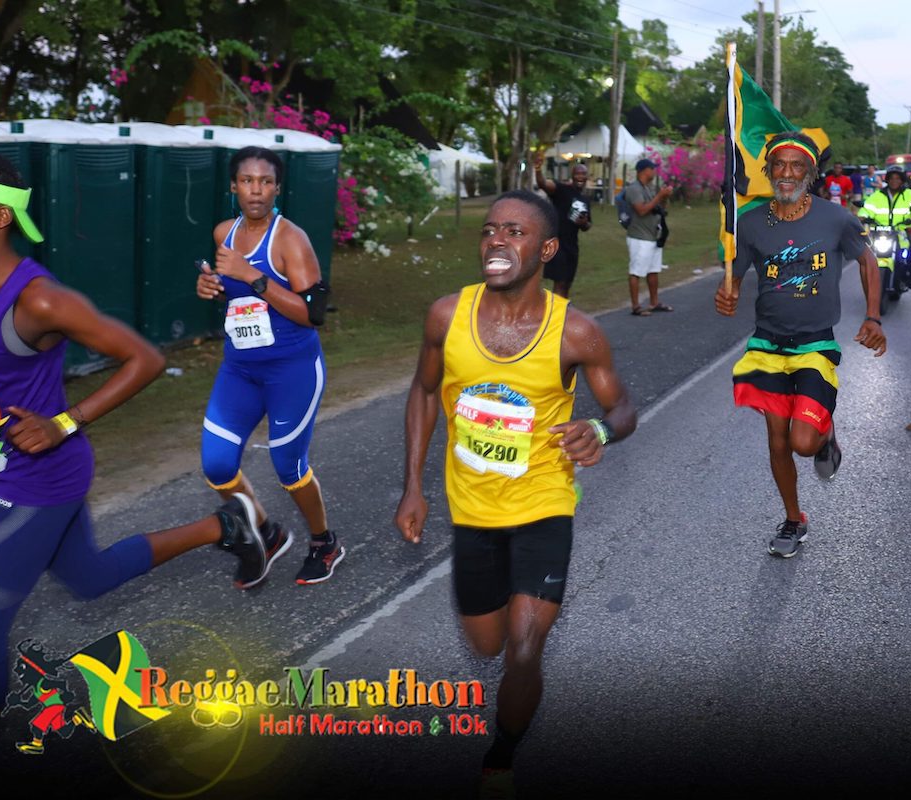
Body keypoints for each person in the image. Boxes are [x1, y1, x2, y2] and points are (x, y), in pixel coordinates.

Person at [0, 155, 265, 783]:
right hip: (7, 468)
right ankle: (226, 526)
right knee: (88, 578)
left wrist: (64, 421)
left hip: (43, 477)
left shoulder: (39, 298)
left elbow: (144, 359)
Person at [394, 190, 636, 794]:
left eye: (515, 232)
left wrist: (599, 428)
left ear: (547, 249)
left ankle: (501, 753)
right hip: (471, 509)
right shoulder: (446, 317)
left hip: (543, 502)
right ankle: (509, 640)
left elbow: (623, 408)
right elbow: (425, 394)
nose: (497, 242)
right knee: (486, 645)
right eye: (489, 230)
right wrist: (412, 488)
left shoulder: (576, 333)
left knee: (524, 650)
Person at [714, 132, 886, 559]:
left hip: (814, 345)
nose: (787, 173)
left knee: (802, 443)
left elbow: (867, 260)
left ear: (809, 173)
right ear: (769, 170)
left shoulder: (836, 218)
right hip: (767, 344)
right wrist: (729, 289)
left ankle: (824, 434)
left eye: (796, 166)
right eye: (779, 165)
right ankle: (794, 519)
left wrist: (873, 316)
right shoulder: (751, 222)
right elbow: (736, 272)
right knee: (776, 441)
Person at [195, 146, 343, 585]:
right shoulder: (224, 231)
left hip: (292, 369)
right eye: (246, 181)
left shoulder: (290, 239)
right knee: (217, 466)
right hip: (240, 369)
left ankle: (324, 542)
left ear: (277, 188)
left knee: (288, 466)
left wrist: (251, 276)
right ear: (233, 187)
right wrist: (212, 287)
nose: (255, 190)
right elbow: (231, 290)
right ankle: (267, 532)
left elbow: (312, 311)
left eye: (264, 182)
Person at [858, 164, 911, 290]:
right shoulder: (877, 196)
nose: (894, 181)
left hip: (901, 231)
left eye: (897, 178)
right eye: (891, 178)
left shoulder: (910, 195)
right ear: (887, 179)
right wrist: (862, 217)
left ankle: (910, 274)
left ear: (902, 180)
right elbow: (866, 209)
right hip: (879, 233)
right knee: (865, 253)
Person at [531, 155, 592, 299]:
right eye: (577, 173)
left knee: (567, 284)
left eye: (583, 174)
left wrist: (584, 224)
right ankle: (555, 317)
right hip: (558, 245)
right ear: (572, 175)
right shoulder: (562, 190)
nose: (580, 177)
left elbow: (588, 225)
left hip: (572, 247)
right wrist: (538, 168)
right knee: (560, 283)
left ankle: (561, 313)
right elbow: (543, 184)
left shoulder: (584, 199)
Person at [623, 158, 673, 315]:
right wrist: (659, 196)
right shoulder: (634, 189)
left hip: (653, 236)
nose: (654, 171)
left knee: (653, 271)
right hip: (639, 237)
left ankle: (654, 302)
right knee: (636, 271)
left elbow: (660, 209)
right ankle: (636, 307)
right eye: (652, 168)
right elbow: (642, 210)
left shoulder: (649, 188)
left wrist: (664, 197)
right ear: (644, 170)